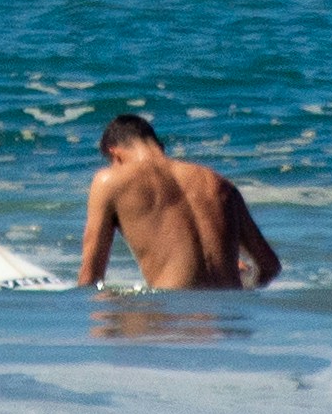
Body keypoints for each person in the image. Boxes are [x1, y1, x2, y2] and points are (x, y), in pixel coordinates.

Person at [74, 111, 282, 291]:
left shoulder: (109, 181)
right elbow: (270, 266)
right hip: (231, 322)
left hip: (173, 321)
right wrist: (242, 282)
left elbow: (91, 276)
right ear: (160, 147)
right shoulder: (218, 182)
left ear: (115, 154)